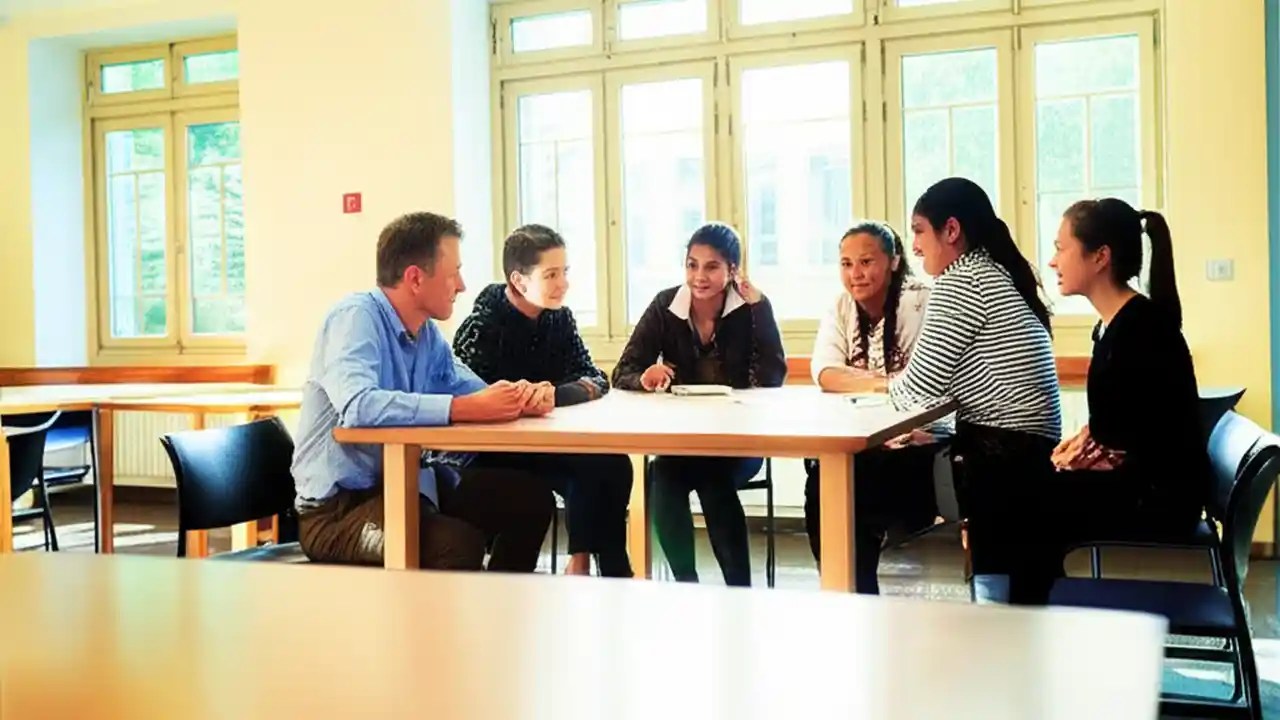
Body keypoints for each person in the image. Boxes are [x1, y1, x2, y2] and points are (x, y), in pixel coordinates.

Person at [291, 211, 555, 572]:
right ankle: (438, 628)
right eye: (453, 274)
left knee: (531, 499)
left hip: (406, 490)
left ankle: (497, 618)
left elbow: (474, 392)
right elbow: (358, 405)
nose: (462, 285)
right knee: (458, 545)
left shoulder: (426, 334)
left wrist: (522, 399)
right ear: (415, 278)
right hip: (337, 513)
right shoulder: (354, 318)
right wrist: (463, 408)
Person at [887, 177, 1062, 605]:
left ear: (951, 230)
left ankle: (859, 608)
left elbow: (917, 388)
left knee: (855, 484)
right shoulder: (993, 271)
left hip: (1004, 467)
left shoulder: (963, 281)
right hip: (1020, 457)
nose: (914, 245)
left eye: (918, 230)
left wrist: (874, 387)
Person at [452, 224, 633, 578]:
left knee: (612, 463)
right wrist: (521, 400)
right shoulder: (481, 327)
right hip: (494, 451)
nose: (563, 283)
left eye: (564, 272)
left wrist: (554, 394)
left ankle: (599, 566)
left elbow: (596, 378)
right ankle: (591, 570)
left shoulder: (559, 319)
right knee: (585, 471)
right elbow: (468, 397)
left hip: (547, 442)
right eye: (551, 274)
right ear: (519, 281)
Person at [612, 222, 786, 587]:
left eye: (711, 267)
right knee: (662, 477)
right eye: (692, 265)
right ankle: (686, 585)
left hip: (739, 441)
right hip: (684, 440)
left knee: (712, 478)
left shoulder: (751, 309)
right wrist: (646, 377)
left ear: (733, 270)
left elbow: (774, 375)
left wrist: (761, 310)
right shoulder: (665, 305)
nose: (699, 276)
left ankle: (739, 590)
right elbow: (623, 370)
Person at [1044, 199, 1206, 565]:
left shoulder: (1140, 330)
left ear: (1100, 256)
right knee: (1021, 494)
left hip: (1157, 500)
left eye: (1060, 248)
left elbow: (1118, 439)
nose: (1053, 261)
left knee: (1020, 505)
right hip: (1144, 487)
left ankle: (1031, 612)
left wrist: (1067, 463)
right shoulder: (1116, 325)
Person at [804, 220, 939, 594]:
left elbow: (926, 385)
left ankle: (855, 592)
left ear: (894, 261)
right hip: (862, 440)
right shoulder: (841, 306)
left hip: (922, 443)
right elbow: (826, 373)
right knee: (821, 479)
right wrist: (890, 382)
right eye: (846, 264)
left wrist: (867, 380)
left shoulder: (918, 300)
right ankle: (843, 587)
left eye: (866, 262)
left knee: (853, 483)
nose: (855, 274)